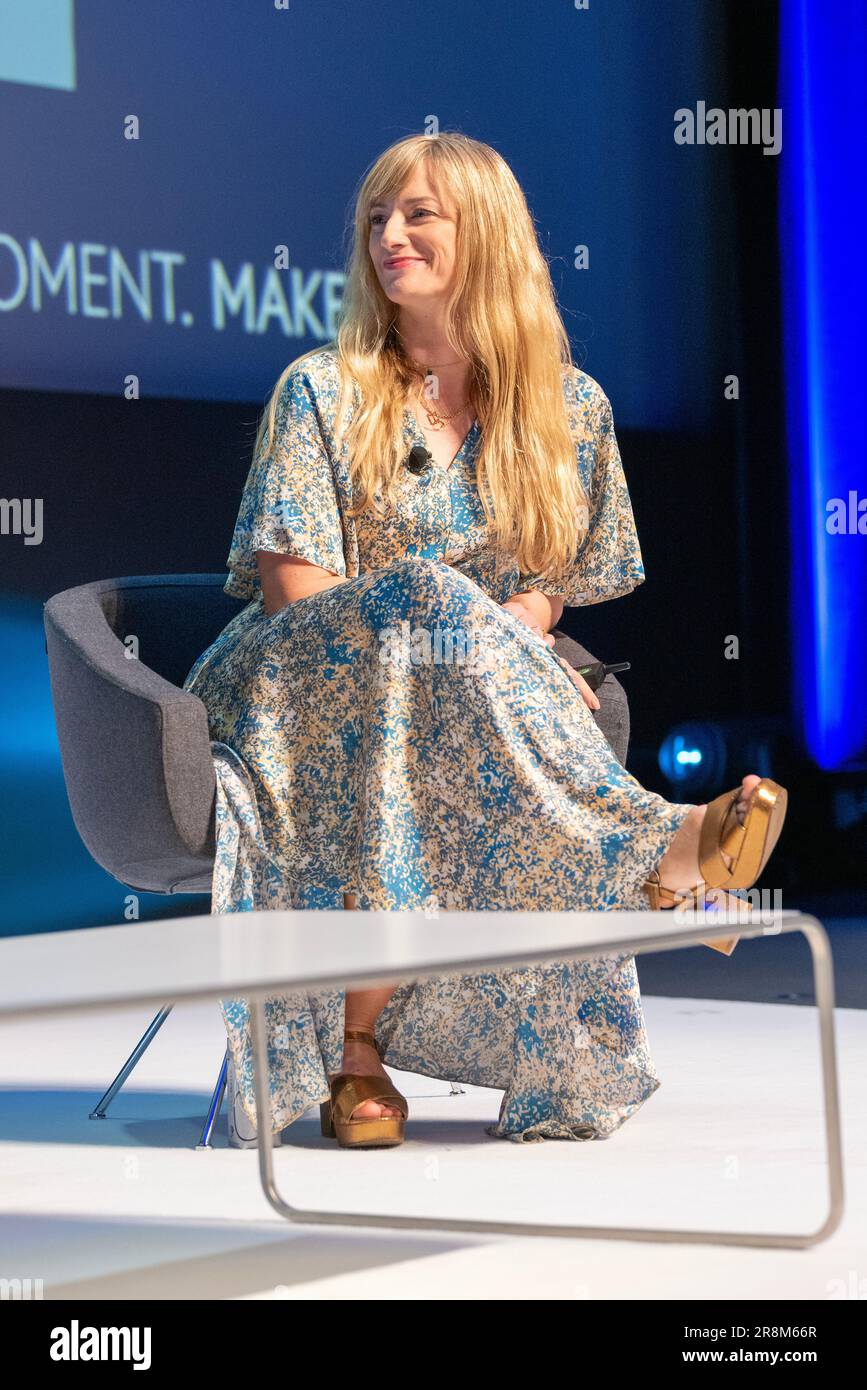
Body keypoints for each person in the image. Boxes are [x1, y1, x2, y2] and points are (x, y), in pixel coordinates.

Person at [182, 131, 787, 1149]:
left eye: (420, 213)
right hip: (296, 686)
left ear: (488, 234)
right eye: (378, 216)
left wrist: (518, 629)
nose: (389, 234)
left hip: (456, 700)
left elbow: (553, 576)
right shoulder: (319, 391)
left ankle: (358, 1055)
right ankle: (662, 851)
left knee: (440, 705)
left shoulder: (570, 409)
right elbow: (296, 590)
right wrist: (463, 637)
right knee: (423, 605)